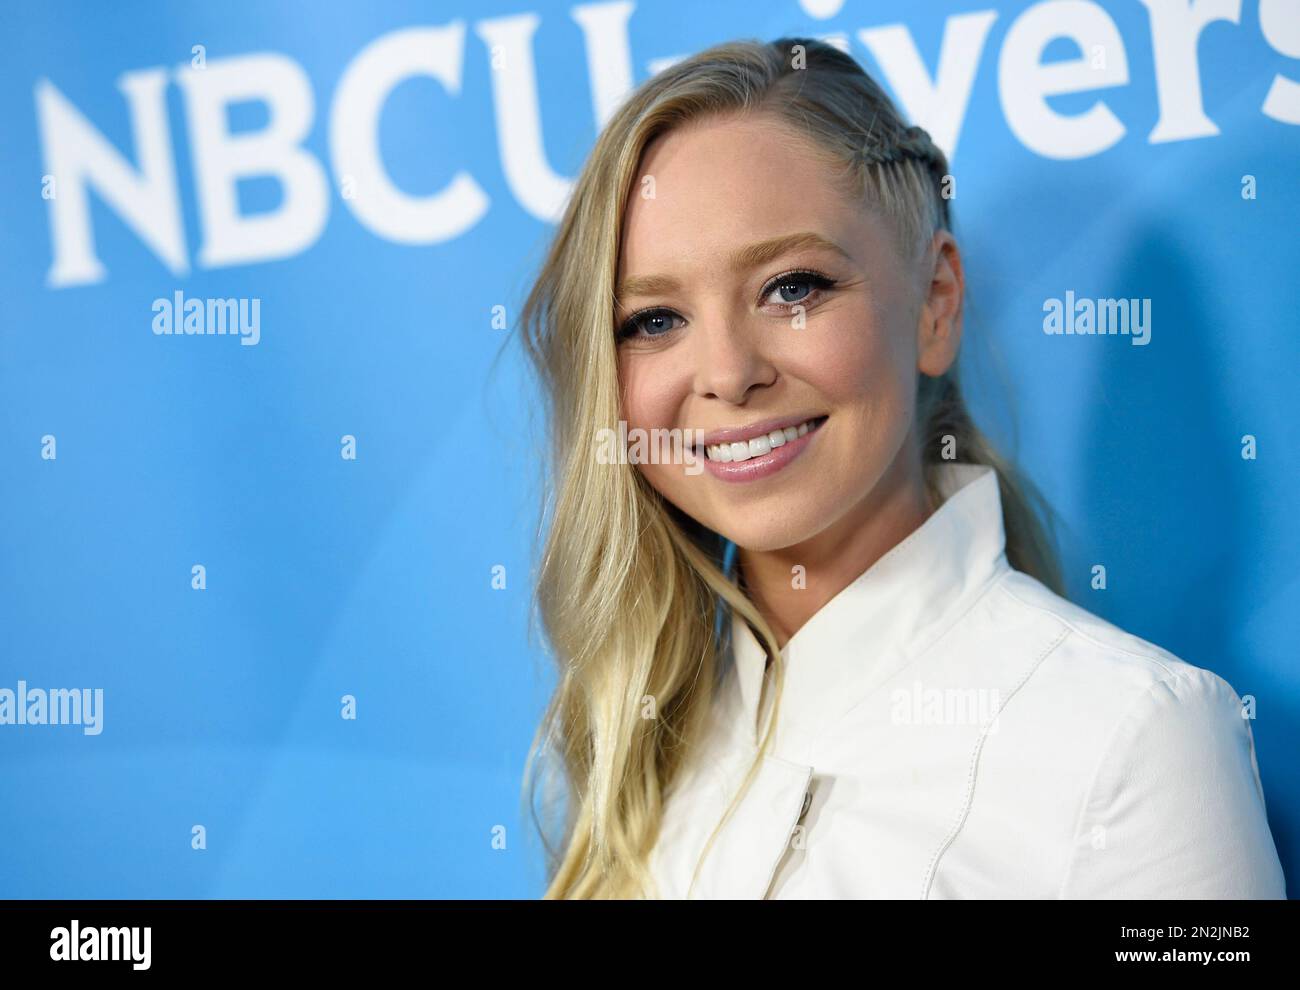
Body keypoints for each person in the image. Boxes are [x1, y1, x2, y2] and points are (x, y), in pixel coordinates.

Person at [518, 36, 1286, 899]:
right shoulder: (651, 748)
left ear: (934, 303)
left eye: (793, 287)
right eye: (654, 320)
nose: (728, 373)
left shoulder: (1137, 738)